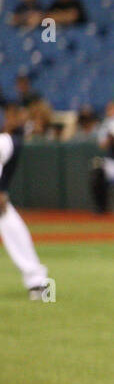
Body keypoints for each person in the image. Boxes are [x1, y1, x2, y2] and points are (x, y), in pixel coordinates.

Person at [0, 107, 51, 299]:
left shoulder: (9, 141)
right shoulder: (7, 141)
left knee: (10, 223)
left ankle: (38, 283)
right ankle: (38, 282)